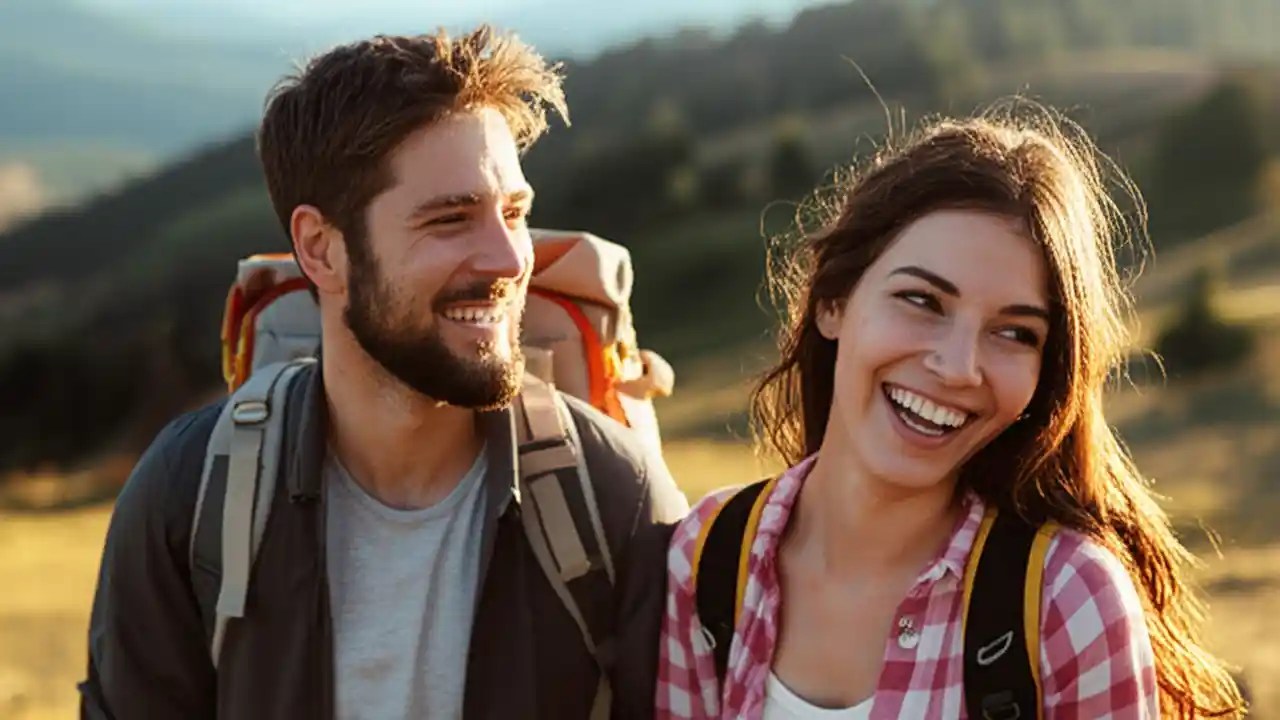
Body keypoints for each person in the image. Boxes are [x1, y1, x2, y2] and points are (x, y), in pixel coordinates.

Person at [79, 25, 689, 720]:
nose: (510, 259)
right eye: (451, 219)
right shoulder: (187, 500)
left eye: (514, 213)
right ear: (321, 249)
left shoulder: (617, 498)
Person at [656, 103, 1246, 718]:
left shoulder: (1065, 603)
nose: (960, 366)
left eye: (1016, 333)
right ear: (832, 300)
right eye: (922, 300)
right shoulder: (707, 558)